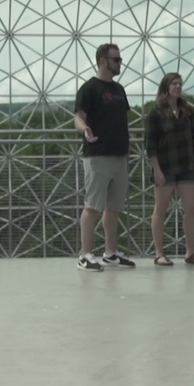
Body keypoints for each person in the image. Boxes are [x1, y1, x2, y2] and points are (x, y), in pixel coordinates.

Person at [73, 43, 136, 271]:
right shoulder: (89, 88)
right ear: (102, 61)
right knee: (93, 206)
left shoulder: (119, 89)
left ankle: (110, 253)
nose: (120, 63)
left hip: (119, 156)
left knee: (114, 207)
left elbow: (122, 120)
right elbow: (78, 116)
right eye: (116, 59)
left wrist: (127, 148)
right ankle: (85, 255)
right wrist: (85, 129)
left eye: (120, 59)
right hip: (98, 155)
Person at [145, 72, 194, 266]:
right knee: (161, 209)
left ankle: (190, 251)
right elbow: (151, 145)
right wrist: (156, 170)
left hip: (187, 165)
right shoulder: (155, 113)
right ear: (166, 87)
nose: (178, 87)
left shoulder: (187, 112)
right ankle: (159, 253)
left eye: (180, 84)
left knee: (192, 207)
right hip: (165, 167)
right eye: (174, 83)